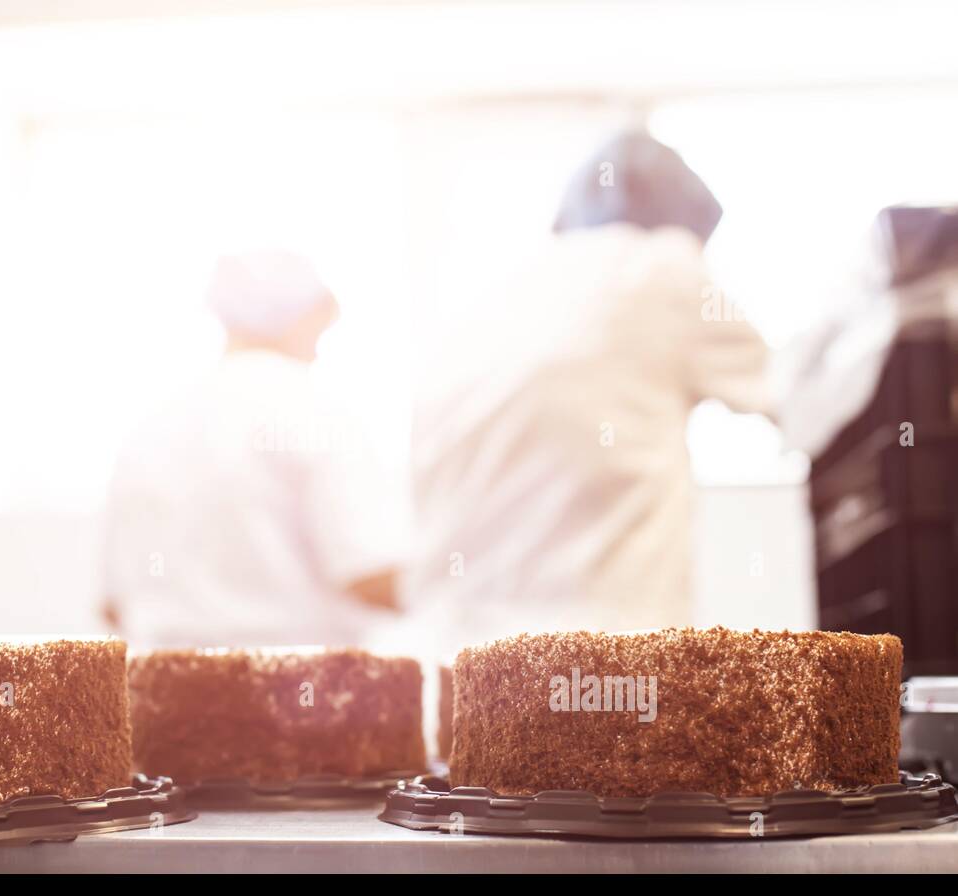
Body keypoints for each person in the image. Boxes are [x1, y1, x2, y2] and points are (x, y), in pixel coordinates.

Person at [405, 130, 769, 656]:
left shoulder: (490, 304)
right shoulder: (661, 266)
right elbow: (803, 402)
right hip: (602, 666)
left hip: (452, 666)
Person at [101, 250, 404, 649]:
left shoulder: (149, 428)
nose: (320, 343)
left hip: (161, 694)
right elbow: (367, 574)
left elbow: (112, 605)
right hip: (297, 694)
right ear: (303, 314)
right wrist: (462, 589)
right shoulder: (315, 411)